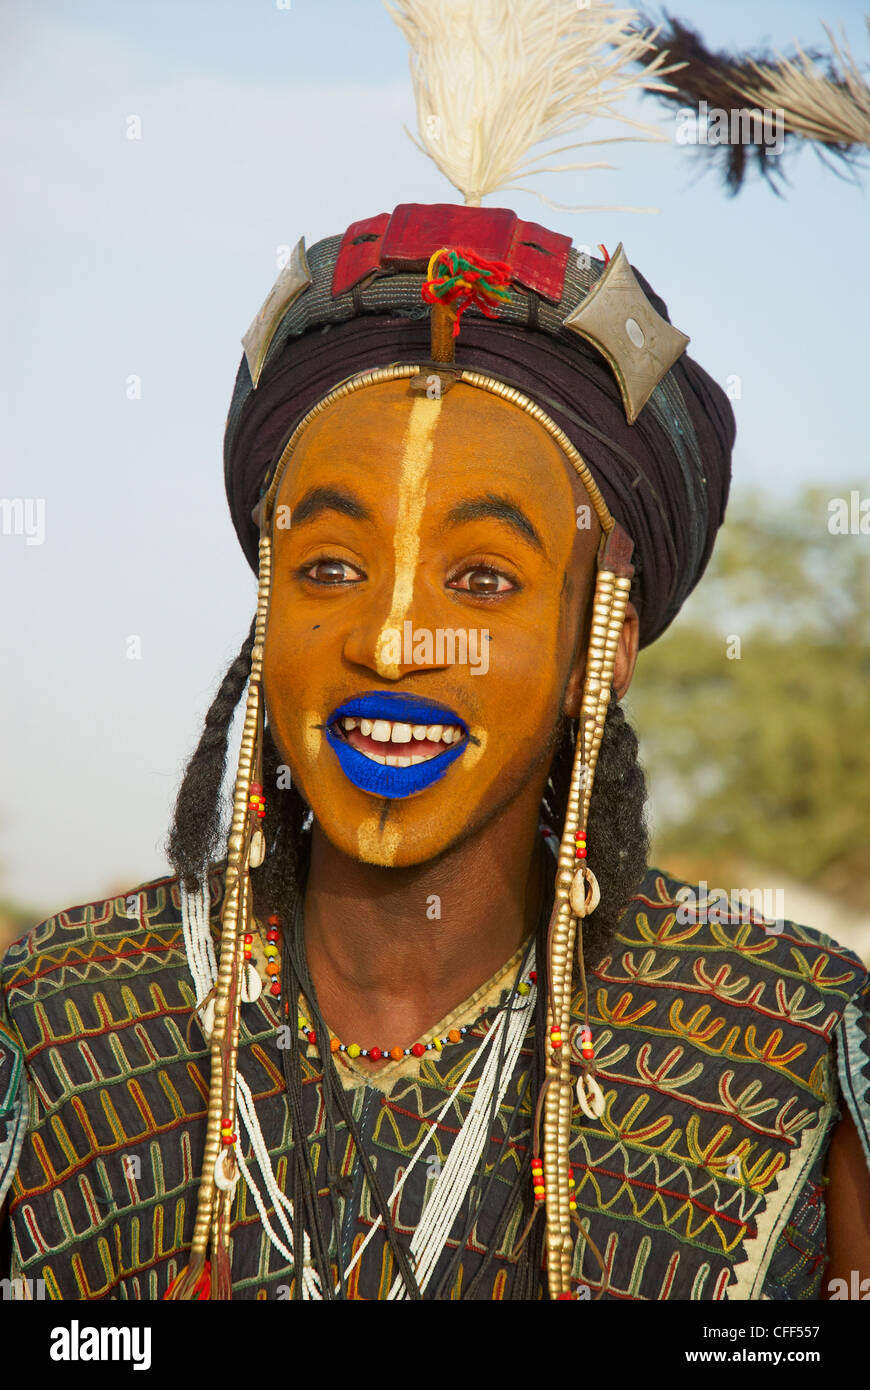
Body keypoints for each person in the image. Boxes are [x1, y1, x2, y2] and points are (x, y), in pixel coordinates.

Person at [1, 6, 868, 1303]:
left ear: (606, 641)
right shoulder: (49, 1020)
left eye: (482, 576)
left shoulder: (794, 1048)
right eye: (332, 569)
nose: (393, 641)